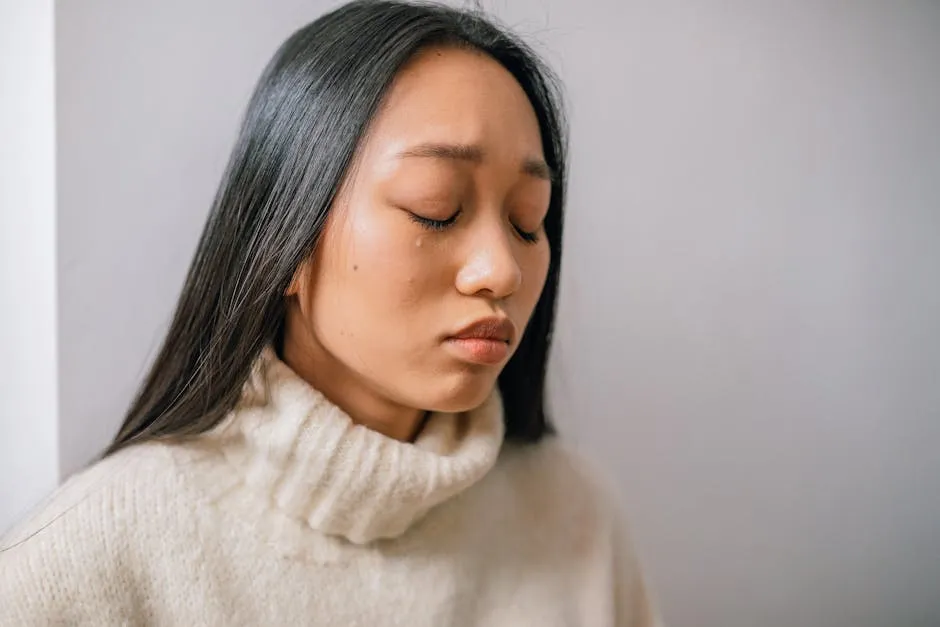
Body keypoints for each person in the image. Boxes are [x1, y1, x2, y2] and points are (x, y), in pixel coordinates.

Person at [1, 1, 661, 624]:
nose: (502, 270)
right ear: (285, 238)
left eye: (528, 220)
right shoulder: (107, 542)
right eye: (436, 207)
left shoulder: (574, 515)